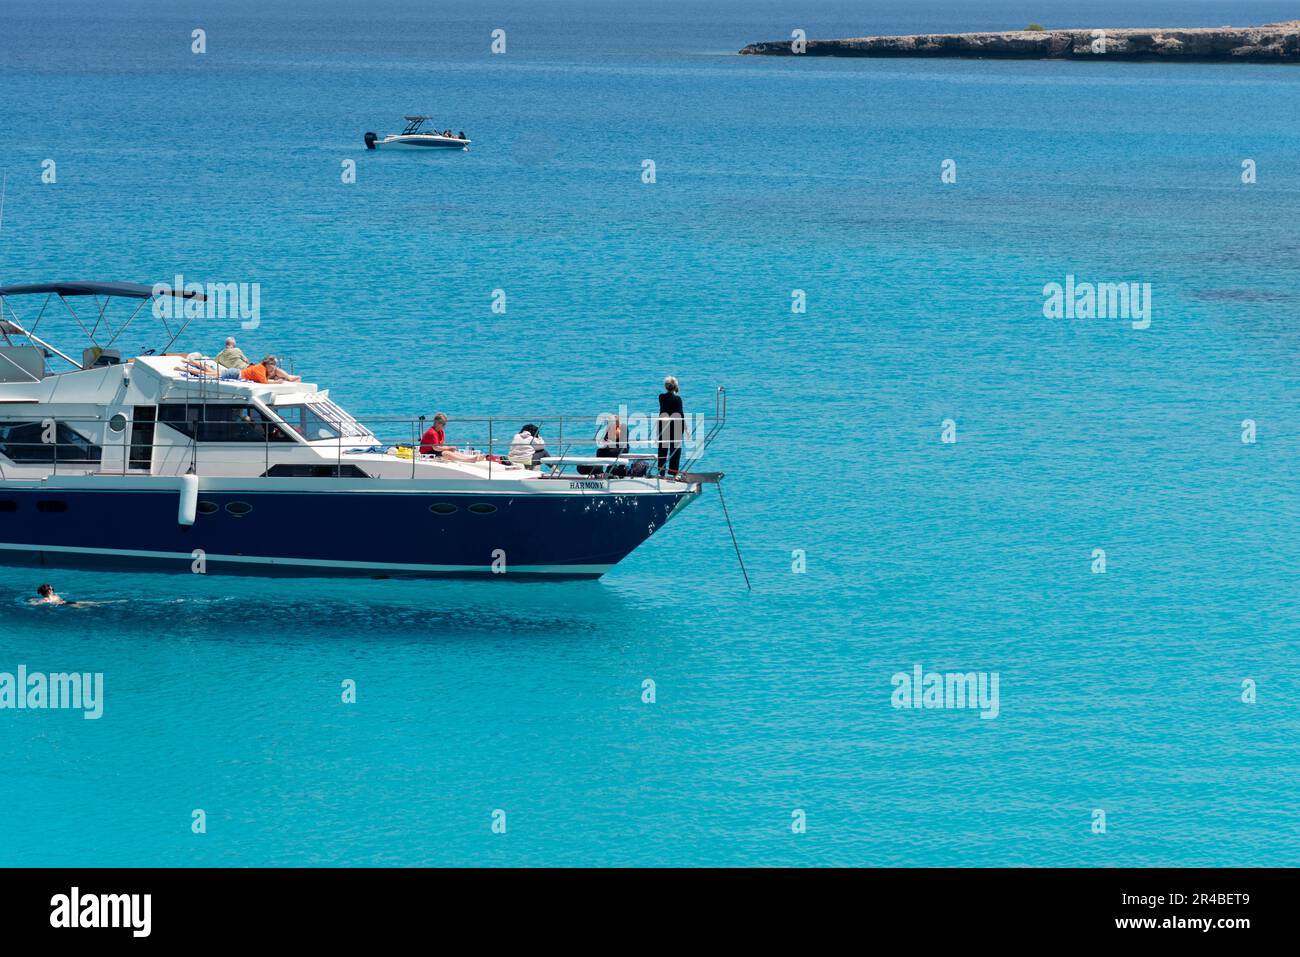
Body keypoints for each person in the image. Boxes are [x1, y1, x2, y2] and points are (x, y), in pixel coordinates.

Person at [418, 413, 483, 463]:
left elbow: (441, 445)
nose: (444, 426)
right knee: (447, 453)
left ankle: (470, 458)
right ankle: (468, 460)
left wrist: (450, 448)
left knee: (452, 450)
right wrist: (449, 448)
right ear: (437, 424)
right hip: (427, 453)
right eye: (443, 424)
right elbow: (436, 448)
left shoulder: (440, 432)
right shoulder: (432, 432)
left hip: (434, 450)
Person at [657, 375, 684, 477]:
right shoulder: (678, 399)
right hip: (676, 426)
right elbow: (681, 414)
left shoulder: (661, 397)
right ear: (675, 387)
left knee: (662, 450)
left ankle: (661, 473)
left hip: (663, 425)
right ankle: (673, 473)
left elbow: (668, 397)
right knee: (675, 450)